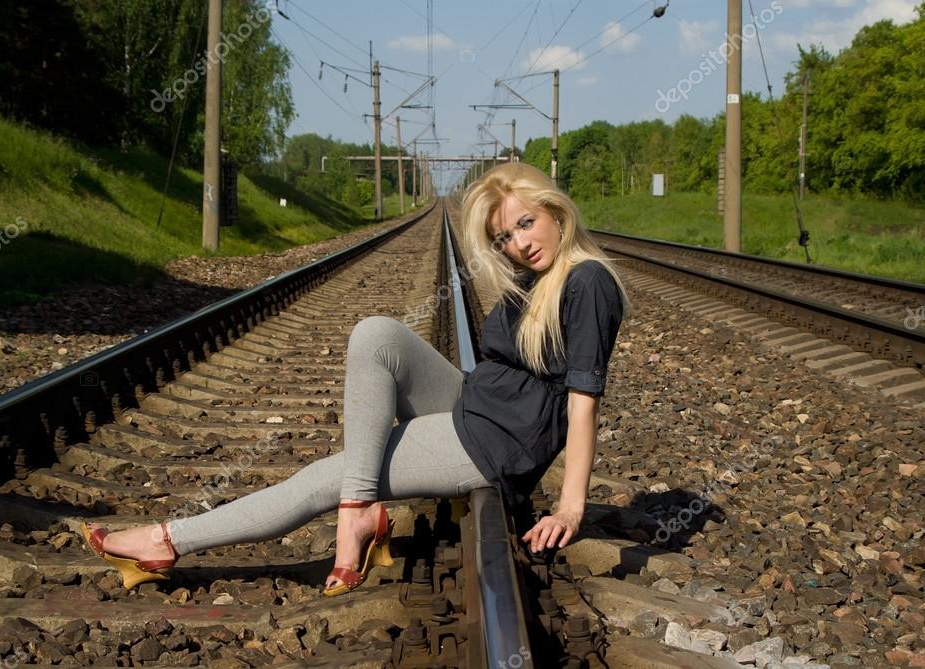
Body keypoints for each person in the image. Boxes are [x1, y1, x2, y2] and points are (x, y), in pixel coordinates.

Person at [82, 162, 627, 595]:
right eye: (505, 236)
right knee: (375, 333)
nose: (519, 243)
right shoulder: (542, 276)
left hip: (491, 443)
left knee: (328, 478)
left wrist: (571, 507)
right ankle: (363, 508)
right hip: (474, 403)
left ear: (555, 209)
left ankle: (168, 540)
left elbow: (583, 404)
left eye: (526, 223)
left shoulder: (588, 284)